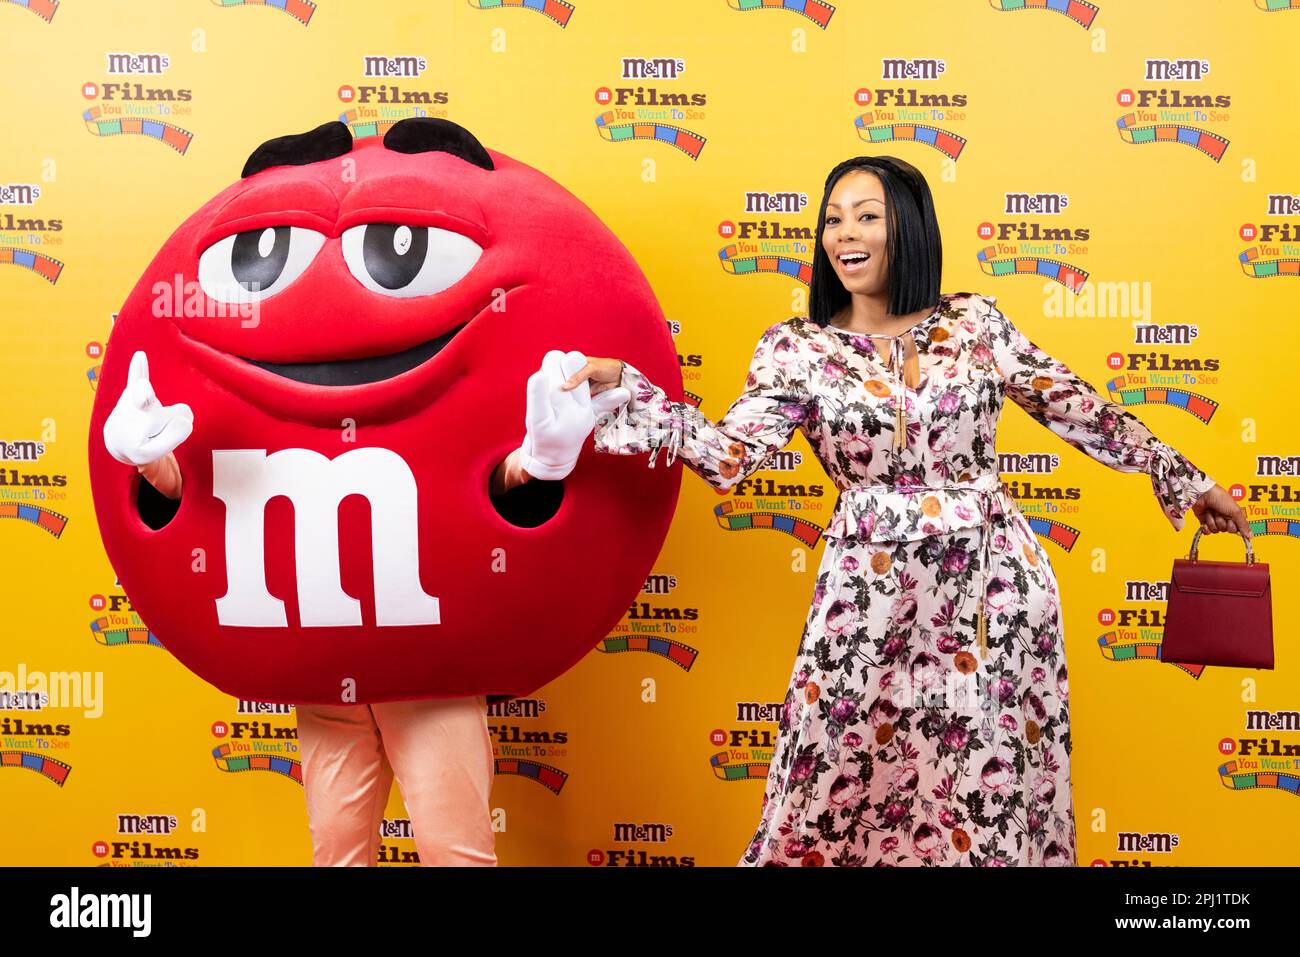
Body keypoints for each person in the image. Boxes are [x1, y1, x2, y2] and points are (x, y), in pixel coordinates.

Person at [547, 155, 1250, 866]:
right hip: (867, 595)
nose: (843, 234)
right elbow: (731, 458)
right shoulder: (798, 349)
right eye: (832, 218)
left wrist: (1186, 480)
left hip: (991, 590)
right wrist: (632, 391)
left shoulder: (974, 324)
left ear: (906, 227)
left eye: (866, 215)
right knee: (829, 776)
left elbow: (1077, 405)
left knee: (984, 784)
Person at [102, 349, 611, 866]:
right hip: (324, 667)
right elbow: (217, 498)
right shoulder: (268, 378)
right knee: (338, 853)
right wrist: (152, 461)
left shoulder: (437, 380)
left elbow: (463, 481)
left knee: (457, 854)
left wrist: (536, 464)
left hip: (428, 671)